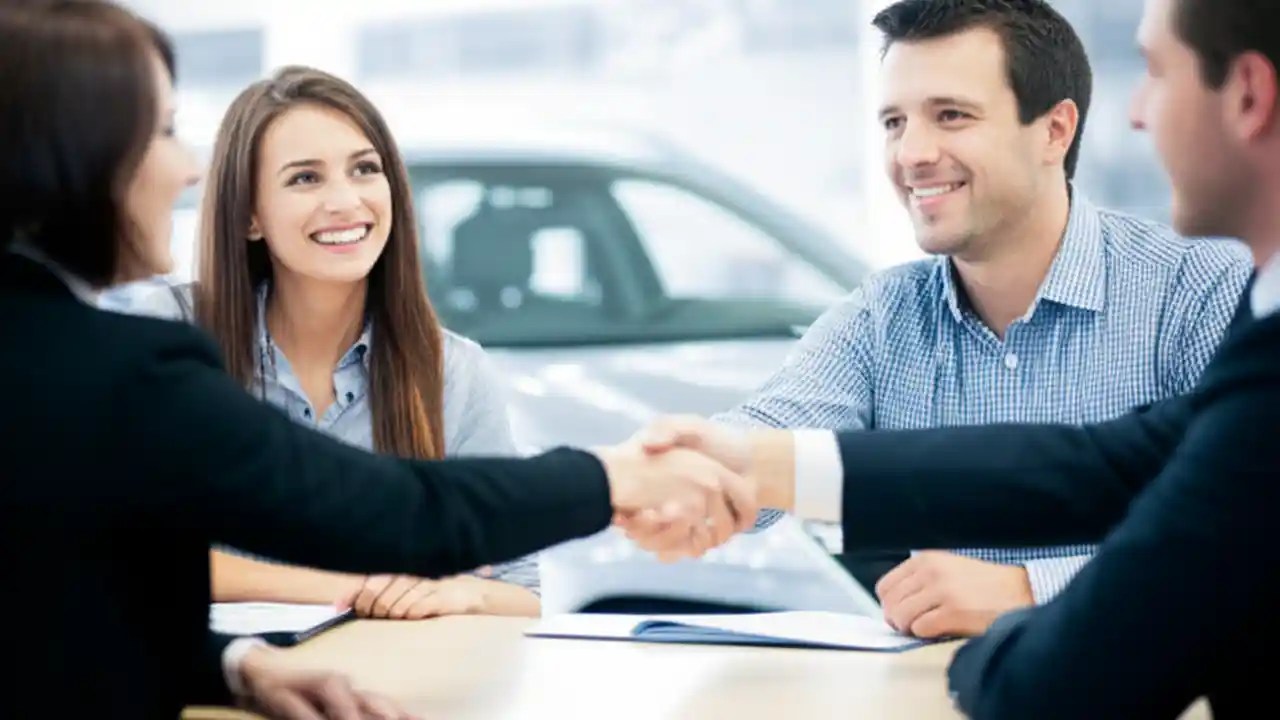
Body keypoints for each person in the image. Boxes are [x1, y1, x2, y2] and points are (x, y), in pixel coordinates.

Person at [0, 3, 755, 718]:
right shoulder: (126, 359)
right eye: (162, 131)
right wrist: (613, 477)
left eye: (365, 169)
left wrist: (231, 666)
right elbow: (390, 511)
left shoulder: (450, 366)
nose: (188, 168)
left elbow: (54, 593)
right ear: (81, 155)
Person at [631, 0, 1280, 713]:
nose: (910, 153)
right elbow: (768, 432)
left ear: (1055, 131)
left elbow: (1221, 544)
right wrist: (711, 472)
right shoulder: (884, 314)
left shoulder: (1203, 292)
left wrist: (1030, 592)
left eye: (951, 116)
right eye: (894, 122)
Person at [110, 65, 541, 619]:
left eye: (364, 169)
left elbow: (520, 591)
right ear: (248, 217)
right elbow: (118, 545)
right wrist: (357, 583)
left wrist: (461, 592)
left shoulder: (451, 369)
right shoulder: (171, 331)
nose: (345, 201)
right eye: (305, 178)